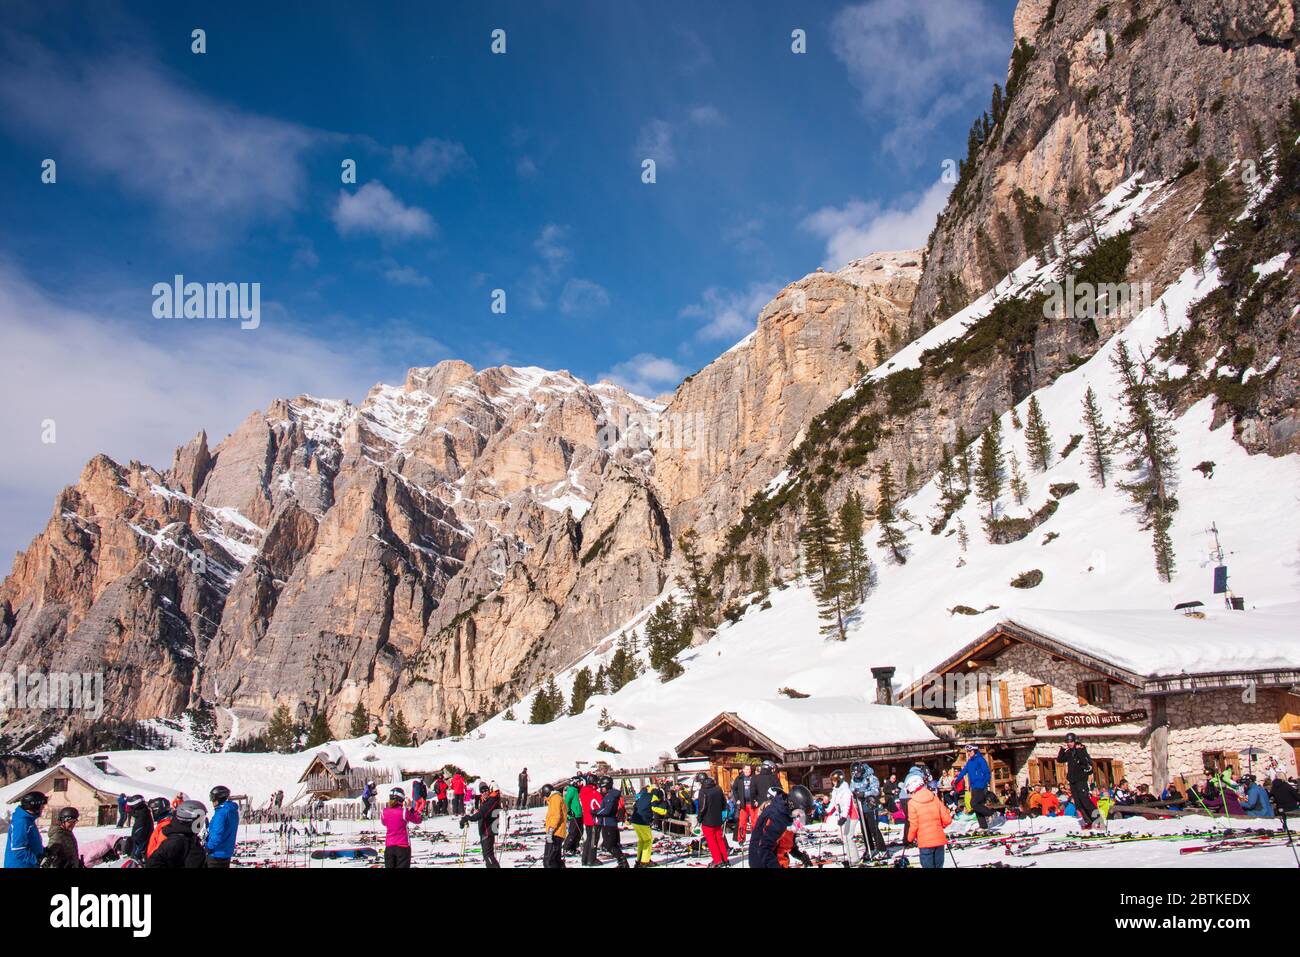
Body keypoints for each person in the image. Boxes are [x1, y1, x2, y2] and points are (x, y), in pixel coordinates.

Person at [905, 775, 953, 868]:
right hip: (939, 840)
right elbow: (947, 819)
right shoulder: (934, 798)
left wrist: (909, 839)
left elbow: (914, 825)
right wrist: (939, 826)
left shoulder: (912, 803)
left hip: (925, 843)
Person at [1057, 734, 1102, 830]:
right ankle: (1088, 821)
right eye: (1068, 742)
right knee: (1078, 803)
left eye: (1071, 742)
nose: (1069, 744)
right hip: (1073, 781)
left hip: (1081, 780)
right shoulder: (1069, 752)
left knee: (1085, 801)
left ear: (1075, 741)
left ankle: (1098, 821)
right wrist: (1061, 750)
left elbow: (1086, 763)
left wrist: (1079, 750)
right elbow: (1060, 760)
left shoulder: (1081, 750)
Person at [145, 801, 208, 869]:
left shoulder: (189, 837)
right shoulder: (177, 840)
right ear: (191, 820)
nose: (202, 823)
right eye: (201, 820)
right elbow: (153, 862)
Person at [953, 744, 1001, 829]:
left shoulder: (980, 760)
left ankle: (992, 813)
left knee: (973, 803)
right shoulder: (970, 762)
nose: (968, 753)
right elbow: (964, 771)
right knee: (977, 806)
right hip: (974, 787)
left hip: (981, 786)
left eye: (970, 751)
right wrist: (957, 780)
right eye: (967, 751)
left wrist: (985, 783)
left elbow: (987, 772)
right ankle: (983, 826)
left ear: (975, 751)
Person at [748, 786, 792, 869]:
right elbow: (764, 846)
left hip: (775, 858)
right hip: (763, 859)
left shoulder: (779, 814)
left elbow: (785, 840)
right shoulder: (772, 814)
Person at [850, 761, 886, 859]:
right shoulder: (854, 779)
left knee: (873, 828)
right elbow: (852, 788)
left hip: (870, 805)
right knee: (864, 828)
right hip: (861, 807)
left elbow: (876, 791)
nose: (857, 775)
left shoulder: (870, 778)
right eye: (855, 774)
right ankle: (870, 848)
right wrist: (854, 793)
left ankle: (882, 850)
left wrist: (864, 794)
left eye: (858, 773)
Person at [460, 781, 502, 868]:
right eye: (482, 791)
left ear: (490, 790)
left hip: (488, 831)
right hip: (485, 831)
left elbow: (482, 813)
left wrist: (470, 818)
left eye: (486, 790)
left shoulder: (492, 800)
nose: (484, 792)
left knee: (488, 856)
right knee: (487, 856)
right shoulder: (486, 800)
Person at [591, 775, 628, 868]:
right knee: (611, 845)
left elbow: (607, 810)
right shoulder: (609, 795)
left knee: (609, 845)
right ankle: (622, 862)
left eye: (602, 787)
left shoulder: (610, 796)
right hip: (607, 823)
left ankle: (623, 861)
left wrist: (596, 812)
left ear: (607, 786)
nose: (601, 790)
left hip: (608, 823)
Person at [5, 791, 47, 868]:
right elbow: (18, 849)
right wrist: (37, 860)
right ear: (35, 806)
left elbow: (30, 843)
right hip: (20, 865)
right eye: (42, 805)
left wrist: (42, 851)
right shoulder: (22, 822)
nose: (43, 808)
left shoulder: (28, 820)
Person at [695, 772, 730, 867]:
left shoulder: (703, 791)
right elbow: (724, 802)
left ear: (701, 781)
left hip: (707, 820)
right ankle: (725, 859)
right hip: (717, 819)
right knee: (719, 839)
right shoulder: (717, 788)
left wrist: (699, 818)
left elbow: (702, 807)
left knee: (711, 841)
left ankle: (717, 860)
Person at [629, 781, 667, 867]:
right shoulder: (652, 797)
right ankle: (645, 861)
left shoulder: (643, 795)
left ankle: (640, 859)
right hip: (643, 821)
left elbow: (635, 804)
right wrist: (665, 811)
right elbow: (655, 807)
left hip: (635, 820)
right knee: (648, 840)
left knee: (642, 840)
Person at [827, 770, 861, 867]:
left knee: (848, 837)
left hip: (851, 816)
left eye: (835, 780)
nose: (833, 782)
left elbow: (847, 805)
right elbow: (833, 803)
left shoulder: (846, 790)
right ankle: (850, 859)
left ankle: (855, 859)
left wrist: (843, 817)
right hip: (845, 817)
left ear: (840, 780)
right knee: (845, 837)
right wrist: (826, 812)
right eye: (832, 780)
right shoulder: (835, 791)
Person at [382, 787, 421, 868]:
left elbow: (384, 823)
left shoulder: (384, 812)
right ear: (401, 799)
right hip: (403, 846)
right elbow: (418, 819)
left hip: (389, 846)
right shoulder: (403, 812)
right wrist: (412, 808)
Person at [206, 785, 239, 867]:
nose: (212, 801)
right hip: (226, 852)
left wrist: (208, 848)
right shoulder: (232, 811)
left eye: (213, 798)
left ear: (219, 798)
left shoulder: (221, 813)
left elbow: (217, 833)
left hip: (216, 854)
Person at [731, 764, 761, 844]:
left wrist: (757, 800)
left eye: (750, 769)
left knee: (755, 822)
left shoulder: (754, 778)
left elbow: (759, 790)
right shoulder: (739, 778)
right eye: (747, 769)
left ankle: (755, 839)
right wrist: (737, 799)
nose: (749, 771)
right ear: (743, 770)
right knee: (742, 822)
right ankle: (741, 839)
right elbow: (734, 789)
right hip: (743, 804)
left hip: (752, 804)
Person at [542, 783, 567, 869]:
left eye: (544, 795)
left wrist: (550, 831)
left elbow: (555, 816)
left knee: (548, 862)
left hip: (555, 833)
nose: (544, 798)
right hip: (557, 833)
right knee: (556, 860)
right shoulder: (556, 798)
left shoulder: (555, 799)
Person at [579, 773, 600, 866]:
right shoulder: (594, 793)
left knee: (589, 839)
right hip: (594, 819)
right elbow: (600, 806)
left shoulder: (583, 791)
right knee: (593, 840)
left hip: (587, 819)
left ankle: (585, 859)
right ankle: (591, 859)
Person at [125, 794, 153, 861]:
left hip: (141, 853)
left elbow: (139, 839)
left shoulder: (141, 818)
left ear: (135, 807)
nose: (130, 811)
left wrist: (136, 856)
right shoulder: (144, 813)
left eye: (131, 807)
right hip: (144, 849)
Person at [563, 775, 584, 855]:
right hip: (574, 815)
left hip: (579, 814)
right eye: (578, 782)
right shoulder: (571, 790)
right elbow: (566, 802)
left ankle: (574, 847)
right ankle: (566, 848)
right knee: (573, 832)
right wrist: (569, 811)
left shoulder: (576, 790)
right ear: (574, 782)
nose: (580, 783)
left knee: (579, 832)